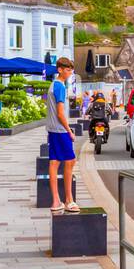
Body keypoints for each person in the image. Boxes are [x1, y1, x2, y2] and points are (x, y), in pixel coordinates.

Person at [46, 58, 78, 214]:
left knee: (54, 163)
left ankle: (56, 201)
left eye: (71, 70)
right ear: (60, 69)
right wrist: (69, 131)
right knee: (70, 161)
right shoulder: (60, 87)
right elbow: (60, 113)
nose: (70, 72)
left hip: (52, 129)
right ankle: (68, 200)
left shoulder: (53, 85)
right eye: (67, 69)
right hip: (59, 130)